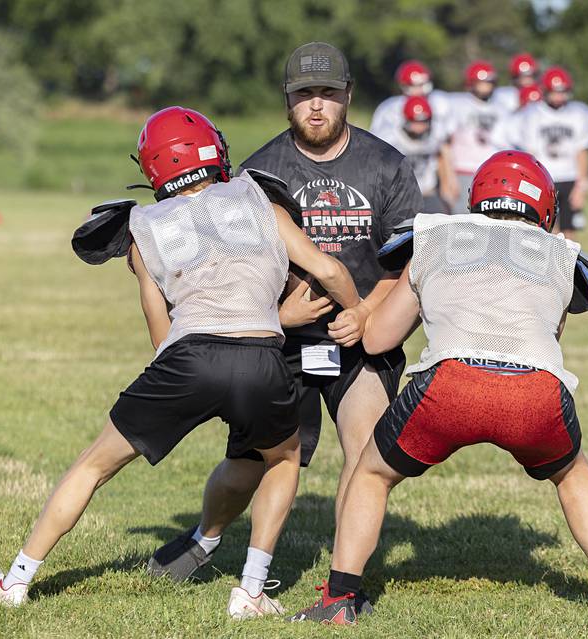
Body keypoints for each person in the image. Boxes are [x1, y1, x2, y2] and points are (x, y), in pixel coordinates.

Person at [0, 106, 361, 620]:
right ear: (213, 149)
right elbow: (329, 269)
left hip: (189, 357)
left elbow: (163, 334)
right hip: (263, 355)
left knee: (93, 465)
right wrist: (356, 311)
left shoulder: (141, 227)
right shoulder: (258, 198)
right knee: (284, 459)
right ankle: (248, 592)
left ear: (154, 168)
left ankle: (16, 580)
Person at [290, 151, 588, 625]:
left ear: (476, 196)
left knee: (371, 474)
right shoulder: (564, 254)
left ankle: (338, 601)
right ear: (545, 206)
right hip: (535, 389)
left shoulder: (436, 235)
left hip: (451, 383)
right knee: (573, 473)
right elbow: (551, 336)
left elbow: (379, 339)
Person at [147, 43, 423, 608]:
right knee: (249, 463)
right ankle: (205, 538)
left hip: (361, 337)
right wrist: (282, 316)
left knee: (366, 449)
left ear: (347, 96)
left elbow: (410, 264)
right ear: (287, 100)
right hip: (279, 340)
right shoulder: (257, 172)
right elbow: (226, 274)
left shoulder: (389, 165)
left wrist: (366, 314)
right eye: (303, 96)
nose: (315, 106)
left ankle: (344, 583)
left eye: (326, 94)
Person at [501, 66, 588, 240]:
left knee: (569, 229)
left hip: (569, 175)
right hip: (543, 177)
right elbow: (529, 154)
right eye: (554, 92)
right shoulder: (532, 114)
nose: (558, 96)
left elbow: (582, 151)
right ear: (545, 91)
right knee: (545, 227)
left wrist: (581, 186)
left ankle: (568, 266)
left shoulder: (579, 113)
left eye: (562, 91)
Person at [373, 95, 457, 213]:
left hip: (426, 192)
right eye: (415, 122)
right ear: (406, 119)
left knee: (441, 218)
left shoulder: (436, 134)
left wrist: (449, 182)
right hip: (398, 196)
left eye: (423, 121)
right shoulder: (390, 137)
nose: (420, 127)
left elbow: (443, 155)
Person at [448, 60, 509, 213]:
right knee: (461, 218)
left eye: (489, 82)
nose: (485, 86)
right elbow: (447, 142)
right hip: (463, 169)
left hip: (491, 171)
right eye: (481, 82)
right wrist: (449, 175)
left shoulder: (501, 107)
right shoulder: (458, 105)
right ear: (471, 83)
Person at [370, 59, 453, 141]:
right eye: (414, 86)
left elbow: (449, 139)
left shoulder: (440, 103)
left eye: (423, 85)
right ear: (403, 87)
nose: (420, 90)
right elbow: (375, 140)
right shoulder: (389, 109)